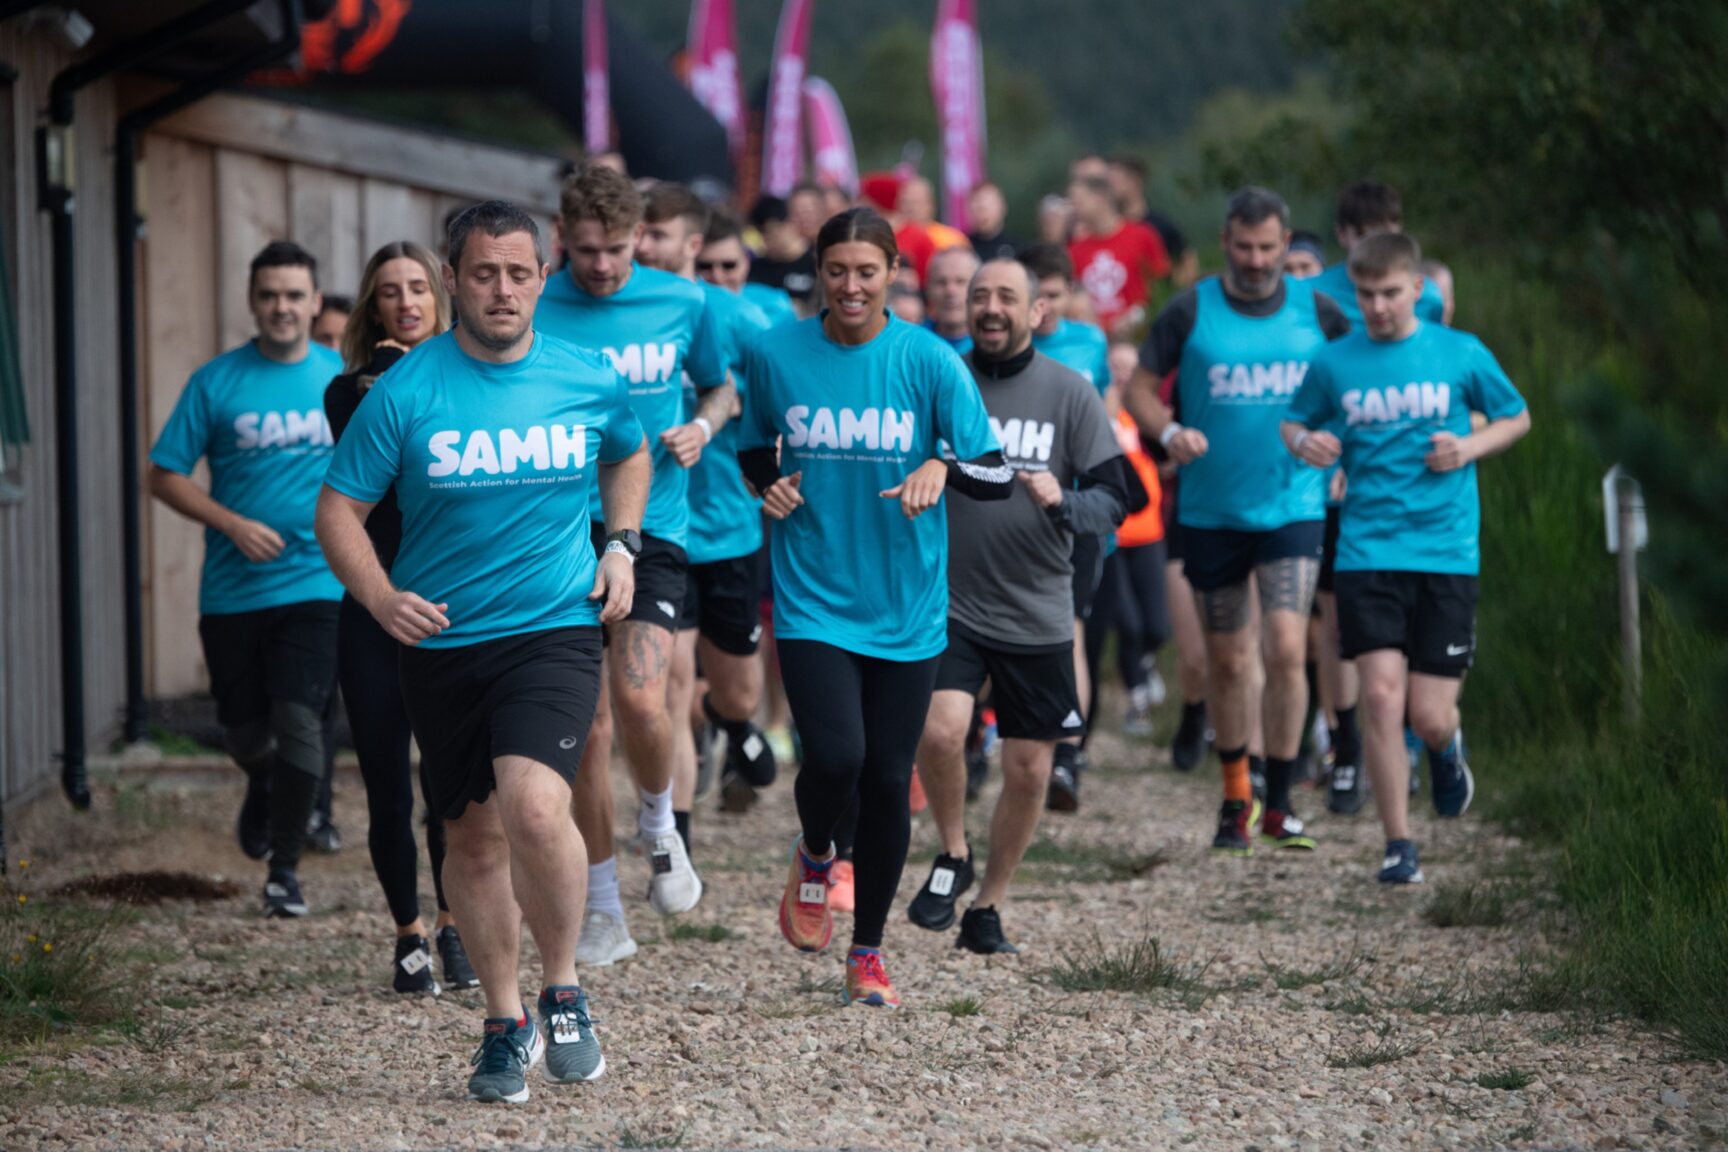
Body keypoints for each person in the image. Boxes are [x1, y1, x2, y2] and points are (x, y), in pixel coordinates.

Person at [318, 201, 646, 1102]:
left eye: (519, 272)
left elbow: (630, 453)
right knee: (470, 834)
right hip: (445, 640)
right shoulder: (405, 392)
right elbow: (337, 511)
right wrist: (381, 596)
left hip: (553, 629)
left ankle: (565, 989)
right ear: (454, 279)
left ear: (543, 277)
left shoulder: (585, 375)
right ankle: (505, 1022)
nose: (503, 289)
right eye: (485, 273)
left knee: (536, 808)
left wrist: (620, 543)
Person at [738, 207, 1012, 1008]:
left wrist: (940, 465)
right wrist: (768, 484)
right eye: (836, 271)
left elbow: (994, 471)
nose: (850, 286)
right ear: (818, 272)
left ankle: (868, 952)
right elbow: (754, 443)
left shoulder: (929, 361)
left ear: (894, 271)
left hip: (908, 605)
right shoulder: (775, 351)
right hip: (814, 594)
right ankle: (819, 850)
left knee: (891, 776)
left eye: (866, 271)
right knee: (835, 758)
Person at [1282, 231, 1529, 883]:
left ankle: (1447, 753)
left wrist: (1468, 449)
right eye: (1366, 294)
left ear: (1417, 289)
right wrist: (1306, 443)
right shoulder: (1336, 361)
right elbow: (1295, 419)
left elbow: (1515, 416)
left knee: (1428, 712)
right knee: (1382, 700)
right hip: (1367, 550)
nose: (1379, 306)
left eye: (1391, 293)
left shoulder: (1459, 351)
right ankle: (1398, 845)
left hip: (1446, 551)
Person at [538, 164, 733, 966]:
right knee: (586, 730)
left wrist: (704, 427)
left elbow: (722, 389)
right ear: (563, 239)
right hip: (556, 531)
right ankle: (603, 906)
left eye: (617, 250)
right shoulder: (538, 306)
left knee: (644, 702)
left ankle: (660, 828)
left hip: (653, 523)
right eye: (586, 251)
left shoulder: (684, 301)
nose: (603, 267)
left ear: (638, 240)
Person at [1121, 186, 1351, 855]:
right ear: (1226, 242)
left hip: (1292, 503)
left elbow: (1353, 381)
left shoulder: (1321, 310)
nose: (1255, 260)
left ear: (1287, 244)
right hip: (1212, 509)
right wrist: (1168, 431)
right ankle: (1234, 797)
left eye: (1268, 248)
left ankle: (1280, 802)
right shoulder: (1192, 308)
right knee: (1228, 661)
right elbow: (1140, 385)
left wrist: (1332, 440)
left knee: (1284, 647)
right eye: (1244, 248)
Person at [909, 258, 1126, 953]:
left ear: (1038, 313)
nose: (991, 308)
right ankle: (952, 850)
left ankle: (989, 904)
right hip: (949, 598)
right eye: (980, 297)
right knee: (942, 732)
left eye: (1008, 297)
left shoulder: (1069, 392)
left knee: (1030, 768)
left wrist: (1066, 502)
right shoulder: (943, 380)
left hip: (1036, 607)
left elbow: (1121, 499)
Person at [147, 241, 343, 918]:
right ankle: (266, 782)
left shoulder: (341, 378)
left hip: (319, 583)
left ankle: (284, 870)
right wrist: (231, 524)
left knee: (299, 720)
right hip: (233, 590)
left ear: (315, 303)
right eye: (270, 295)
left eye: (295, 295)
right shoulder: (217, 382)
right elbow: (164, 474)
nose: (282, 307)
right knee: (245, 735)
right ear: (252, 302)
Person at [323, 240, 478, 995]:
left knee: (448, 782)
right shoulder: (348, 391)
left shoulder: (470, 383)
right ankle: (407, 933)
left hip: (449, 607)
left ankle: (454, 923)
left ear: (441, 300)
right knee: (386, 781)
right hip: (373, 610)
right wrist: (394, 371)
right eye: (390, 291)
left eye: (419, 288)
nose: (407, 301)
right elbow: (364, 458)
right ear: (372, 307)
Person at [636, 184, 779, 832]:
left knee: (734, 690)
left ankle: (740, 723)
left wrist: (740, 415)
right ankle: (679, 832)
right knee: (668, 687)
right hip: (660, 528)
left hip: (729, 527)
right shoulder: (625, 316)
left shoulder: (739, 320)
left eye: (657, 233)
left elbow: (784, 407)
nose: (644, 246)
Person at [1087, 342, 1171, 738]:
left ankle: (1145, 668)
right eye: (1115, 367)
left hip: (1150, 534)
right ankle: (1136, 700)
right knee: (1130, 626)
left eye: (1129, 368)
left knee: (1158, 626)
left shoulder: (1143, 416)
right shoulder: (1100, 415)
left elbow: (1166, 460)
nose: (1122, 375)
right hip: (1113, 539)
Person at [1067, 173, 1171, 339]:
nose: (1073, 208)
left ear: (1100, 199)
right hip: (1097, 339)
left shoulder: (1142, 236)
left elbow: (1162, 285)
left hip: (1141, 336)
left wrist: (1140, 314)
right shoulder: (1074, 249)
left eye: (1079, 201)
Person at [1023, 244, 1111, 392]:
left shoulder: (1092, 339)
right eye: (1035, 296)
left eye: (1053, 296)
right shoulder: (997, 343)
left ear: (1069, 291)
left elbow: (1106, 391)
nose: (1043, 307)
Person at [1108, 154, 1199, 290]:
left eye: (1114, 180)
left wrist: (1175, 286)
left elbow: (1187, 257)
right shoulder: (1109, 228)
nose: (1109, 187)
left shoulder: (1159, 224)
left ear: (1134, 182)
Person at [697, 211, 800, 329]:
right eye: (705, 266)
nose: (717, 277)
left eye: (729, 265)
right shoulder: (683, 309)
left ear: (746, 263)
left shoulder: (775, 306)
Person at [747, 194, 817, 310]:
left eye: (770, 231)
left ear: (790, 223)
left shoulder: (817, 264)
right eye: (761, 233)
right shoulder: (757, 269)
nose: (766, 239)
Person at [924, 246, 980, 354]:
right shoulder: (911, 344)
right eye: (941, 282)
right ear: (928, 289)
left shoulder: (994, 346)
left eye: (960, 282)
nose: (950, 291)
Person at [966, 182, 1021, 261]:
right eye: (976, 209)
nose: (981, 215)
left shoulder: (1018, 249)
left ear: (1002, 208)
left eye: (984, 208)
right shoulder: (962, 245)